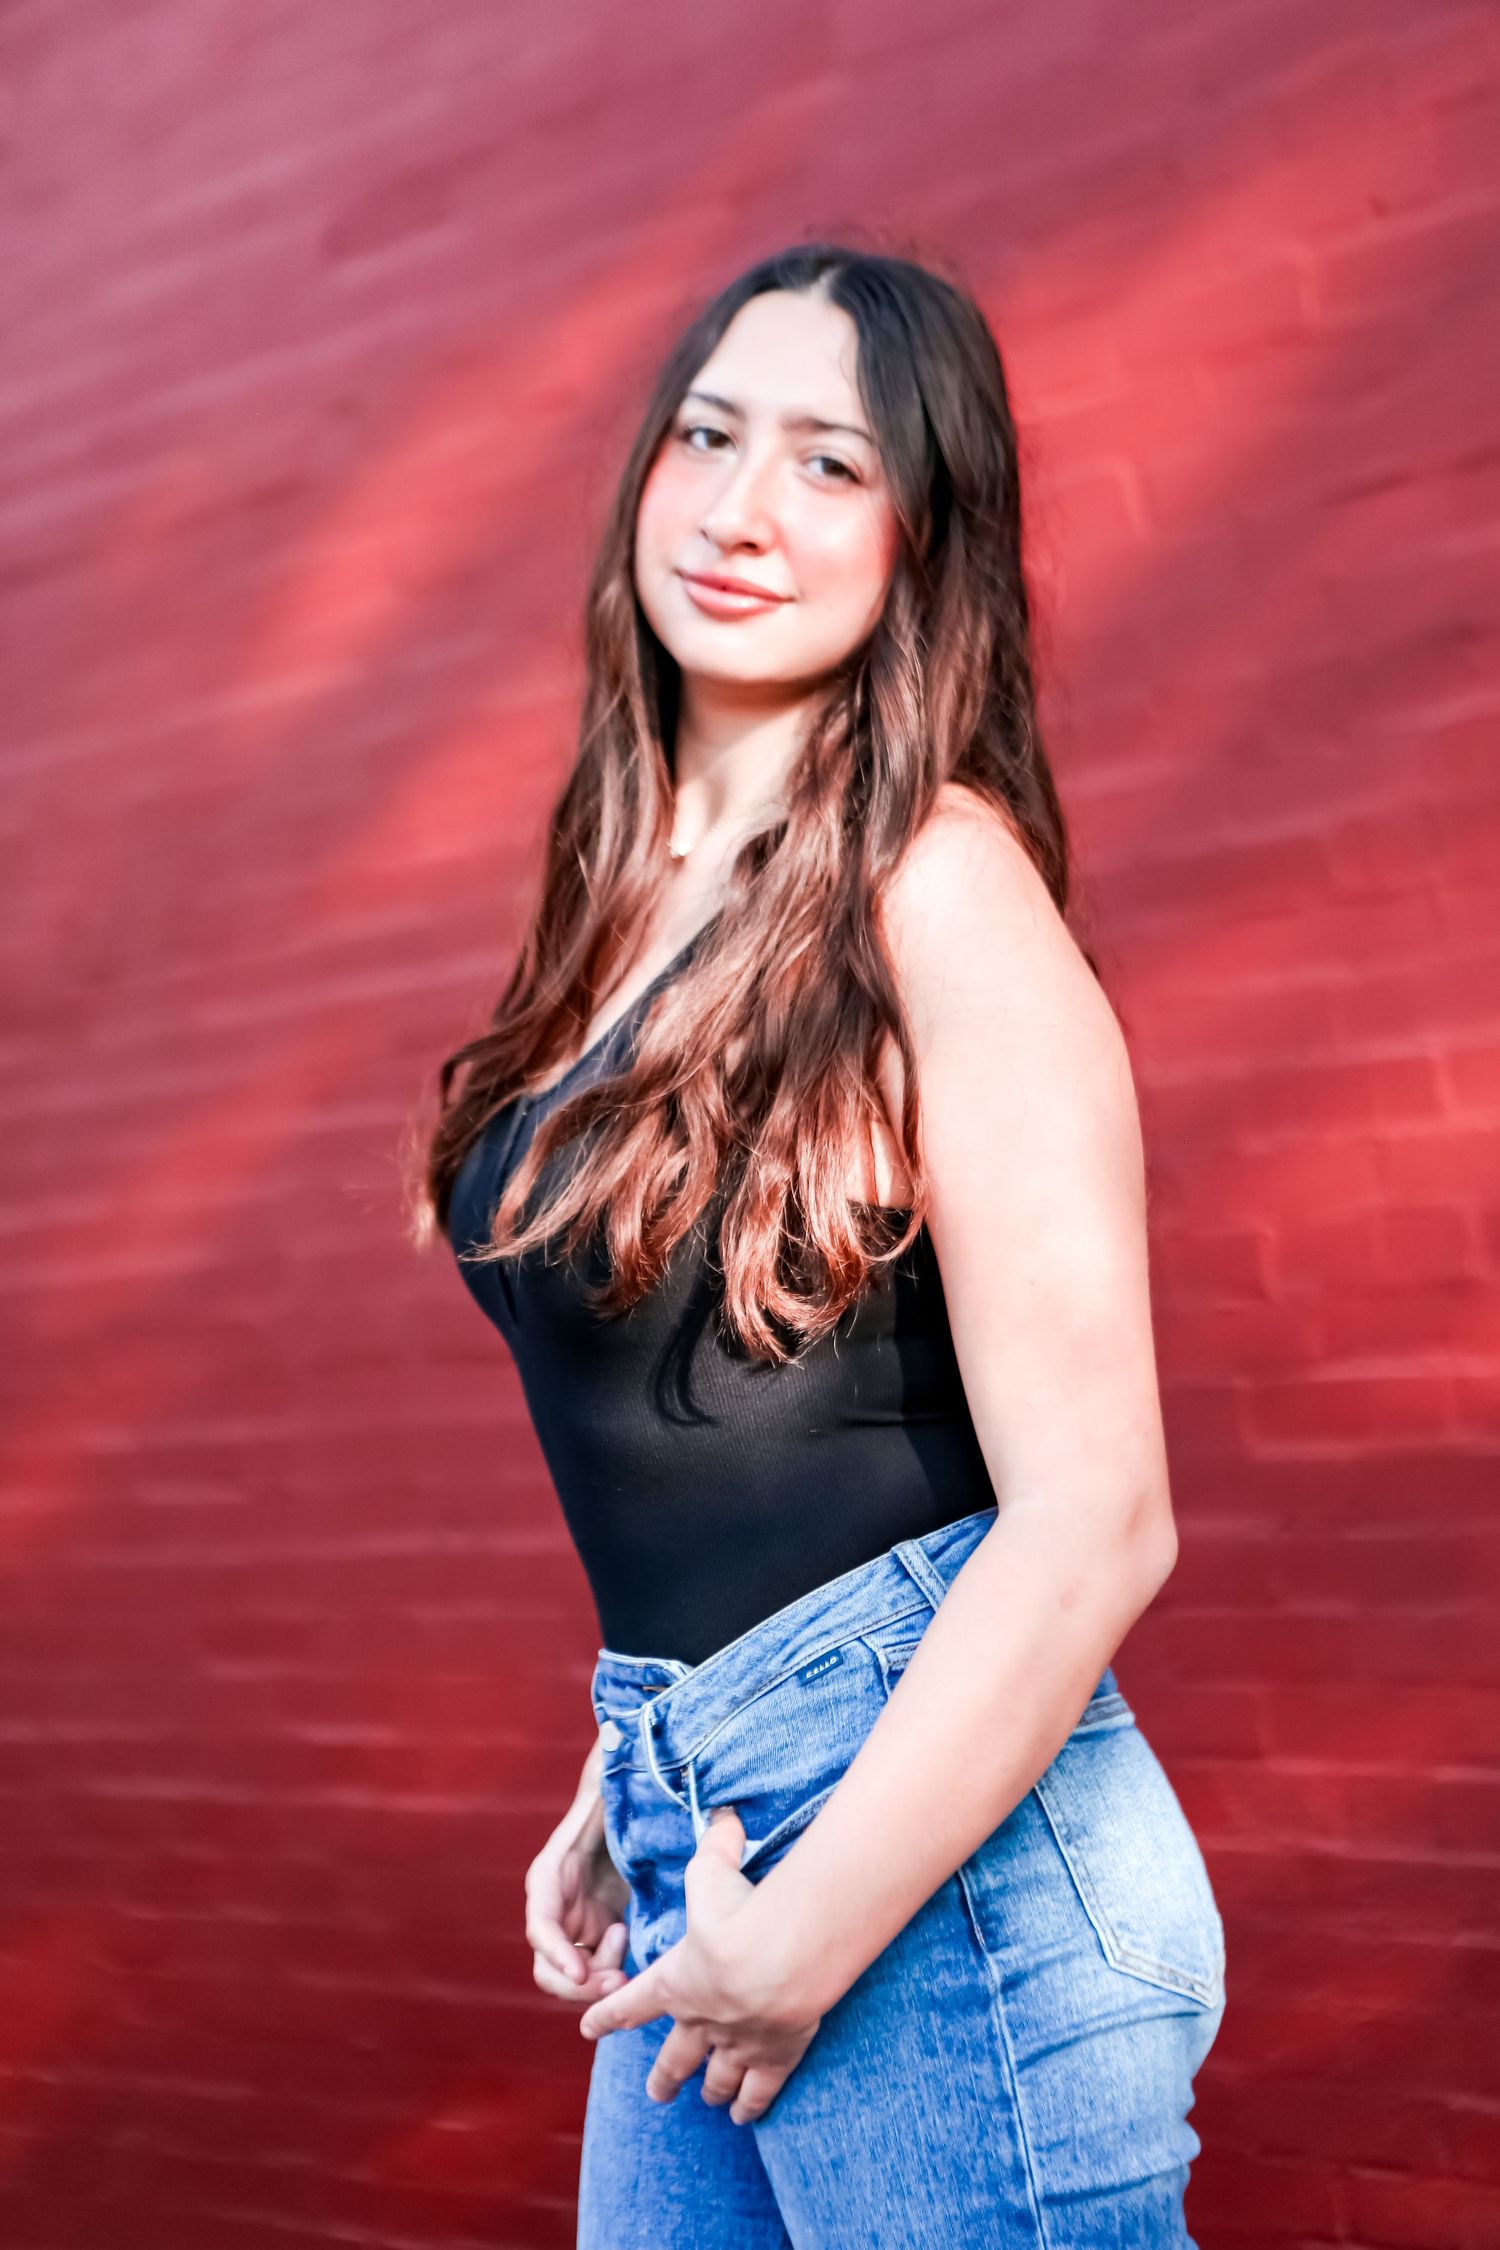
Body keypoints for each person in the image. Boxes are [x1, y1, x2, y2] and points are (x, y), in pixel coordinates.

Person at [411, 239, 1227, 2248]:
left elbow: (1099, 1516)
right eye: (707, 437)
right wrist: (637, 1763)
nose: (740, 507)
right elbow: (738, 1426)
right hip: (707, 1803)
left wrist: (811, 1926)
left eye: (830, 463)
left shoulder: (935, 889)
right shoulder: (630, 913)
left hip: (941, 1871)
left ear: (924, 541)